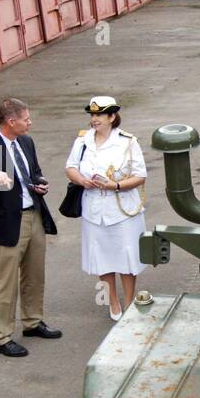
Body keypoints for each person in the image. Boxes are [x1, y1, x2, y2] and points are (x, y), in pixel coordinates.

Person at [0, 98, 62, 358]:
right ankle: (1, 338)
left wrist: (40, 183)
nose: (30, 122)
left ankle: (32, 322)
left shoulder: (26, 142)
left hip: (34, 215)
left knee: (35, 274)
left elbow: (34, 172)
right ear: (11, 122)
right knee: (6, 281)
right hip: (8, 222)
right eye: (26, 119)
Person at [66, 96, 148, 320]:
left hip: (122, 209)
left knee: (127, 256)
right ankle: (112, 301)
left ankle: (129, 302)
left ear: (112, 117)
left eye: (99, 115)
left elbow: (140, 175)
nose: (94, 119)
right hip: (94, 208)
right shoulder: (82, 141)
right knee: (102, 257)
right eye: (92, 115)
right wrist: (82, 181)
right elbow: (71, 167)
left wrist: (116, 185)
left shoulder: (127, 142)